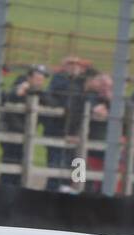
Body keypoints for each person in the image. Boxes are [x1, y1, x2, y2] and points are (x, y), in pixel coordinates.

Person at [44, 55, 88, 189]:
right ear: (64, 66)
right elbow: (58, 102)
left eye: (78, 64)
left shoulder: (83, 84)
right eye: (70, 63)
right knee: (57, 168)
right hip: (58, 131)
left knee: (78, 165)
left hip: (79, 133)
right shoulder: (59, 81)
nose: (74, 66)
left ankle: (76, 191)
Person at [0, 63, 47, 186]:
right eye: (38, 78)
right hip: (12, 135)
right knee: (9, 169)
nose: (40, 82)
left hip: (27, 134)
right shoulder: (19, 85)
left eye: (42, 79)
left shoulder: (39, 92)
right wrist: (19, 91)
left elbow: (51, 102)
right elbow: (9, 97)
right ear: (29, 77)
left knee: (22, 169)